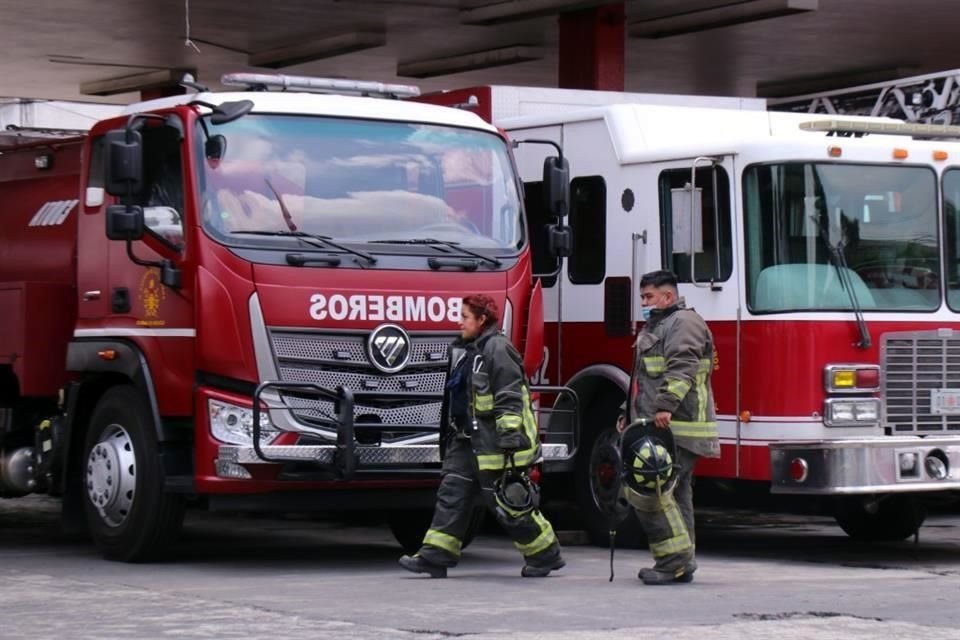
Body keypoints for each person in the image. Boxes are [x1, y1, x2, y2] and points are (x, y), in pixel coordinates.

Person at [399, 294, 565, 578]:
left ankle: (545, 554)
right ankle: (435, 557)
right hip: (466, 440)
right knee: (451, 495)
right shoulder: (469, 350)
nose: (459, 322)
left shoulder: (497, 349)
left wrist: (509, 437)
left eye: (465, 317)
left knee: (507, 503)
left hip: (493, 444)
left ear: (482, 319)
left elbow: (509, 396)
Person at [617, 270, 719, 585]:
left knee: (650, 492)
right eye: (642, 297)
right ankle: (682, 561)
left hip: (678, 427)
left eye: (649, 297)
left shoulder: (684, 323)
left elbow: (682, 367)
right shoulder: (660, 325)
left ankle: (672, 561)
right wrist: (626, 411)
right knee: (675, 494)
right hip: (663, 427)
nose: (644, 303)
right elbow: (645, 379)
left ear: (668, 296)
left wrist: (665, 406)